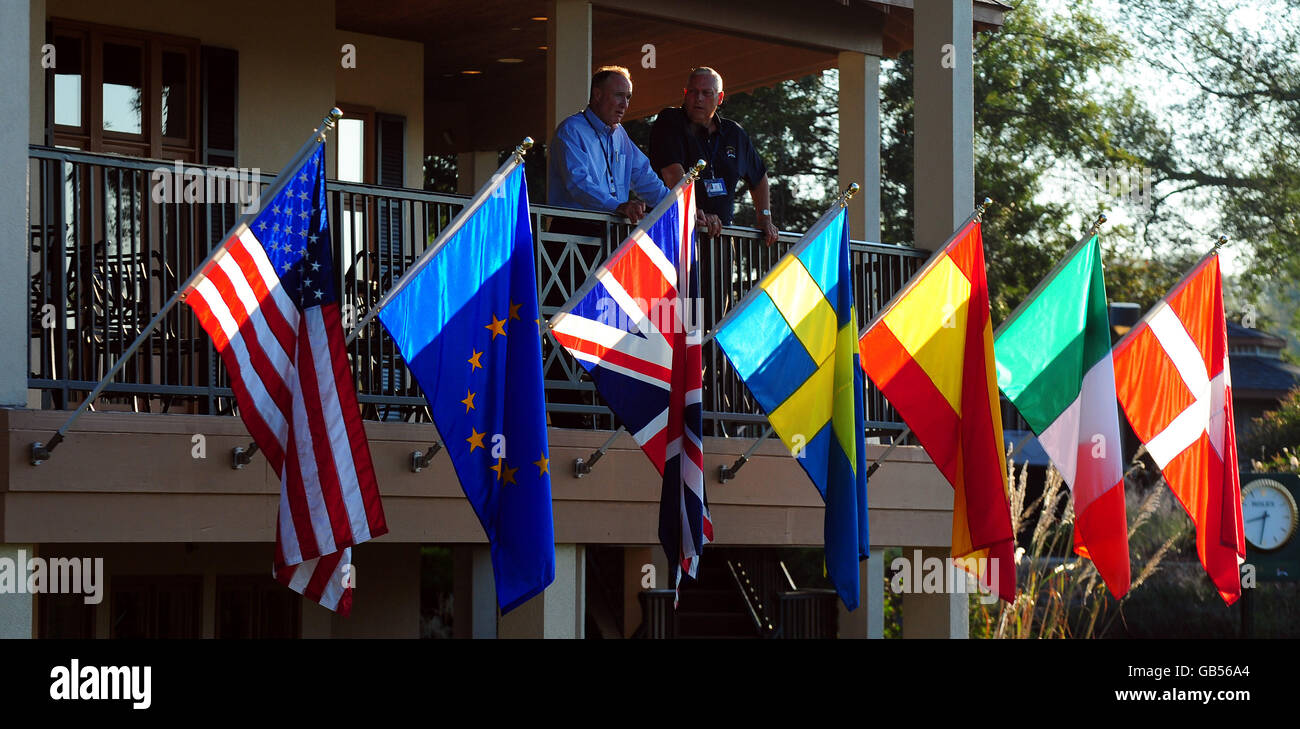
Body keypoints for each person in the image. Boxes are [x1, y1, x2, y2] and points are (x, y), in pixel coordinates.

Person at [650, 67, 778, 245]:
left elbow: (759, 176)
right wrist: (693, 211)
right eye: (693, 92)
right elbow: (672, 173)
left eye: (706, 93)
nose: (699, 98)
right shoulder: (670, 121)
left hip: (721, 239)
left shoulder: (733, 133)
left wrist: (765, 218)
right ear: (685, 94)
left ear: (720, 98)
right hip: (676, 235)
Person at [547, 66, 668, 228]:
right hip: (573, 232)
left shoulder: (620, 134)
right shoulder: (571, 130)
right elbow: (578, 184)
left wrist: (681, 208)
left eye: (628, 97)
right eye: (619, 95)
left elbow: (645, 177)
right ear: (597, 95)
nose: (624, 104)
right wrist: (617, 206)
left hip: (611, 232)